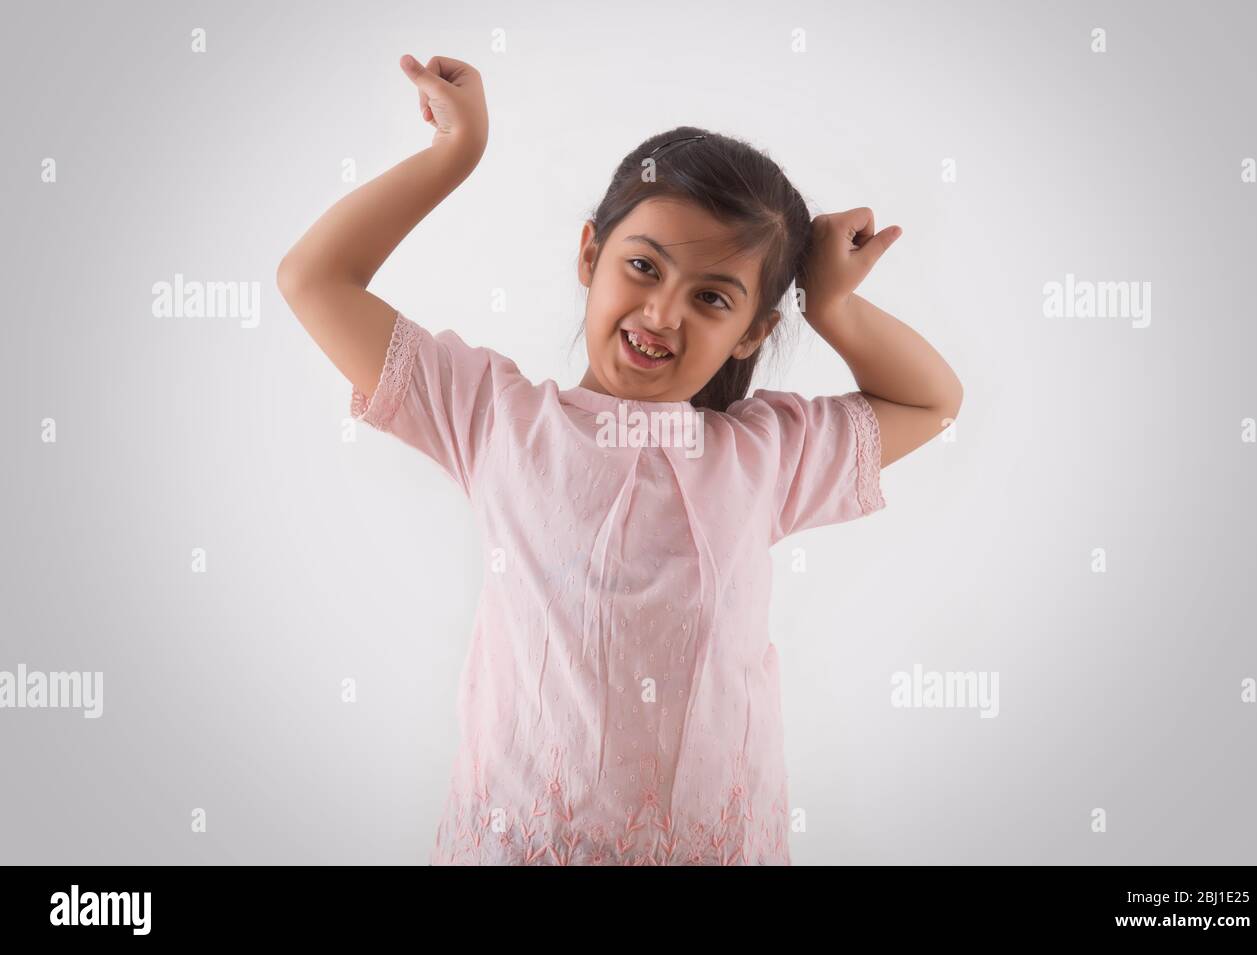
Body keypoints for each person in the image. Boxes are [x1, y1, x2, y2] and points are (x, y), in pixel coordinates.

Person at [278, 53, 963, 865]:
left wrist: (832, 303)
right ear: (588, 257)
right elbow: (314, 279)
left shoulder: (764, 456)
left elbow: (932, 401)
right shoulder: (492, 416)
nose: (662, 312)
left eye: (713, 296)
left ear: (753, 332)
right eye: (643, 265)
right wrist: (452, 156)